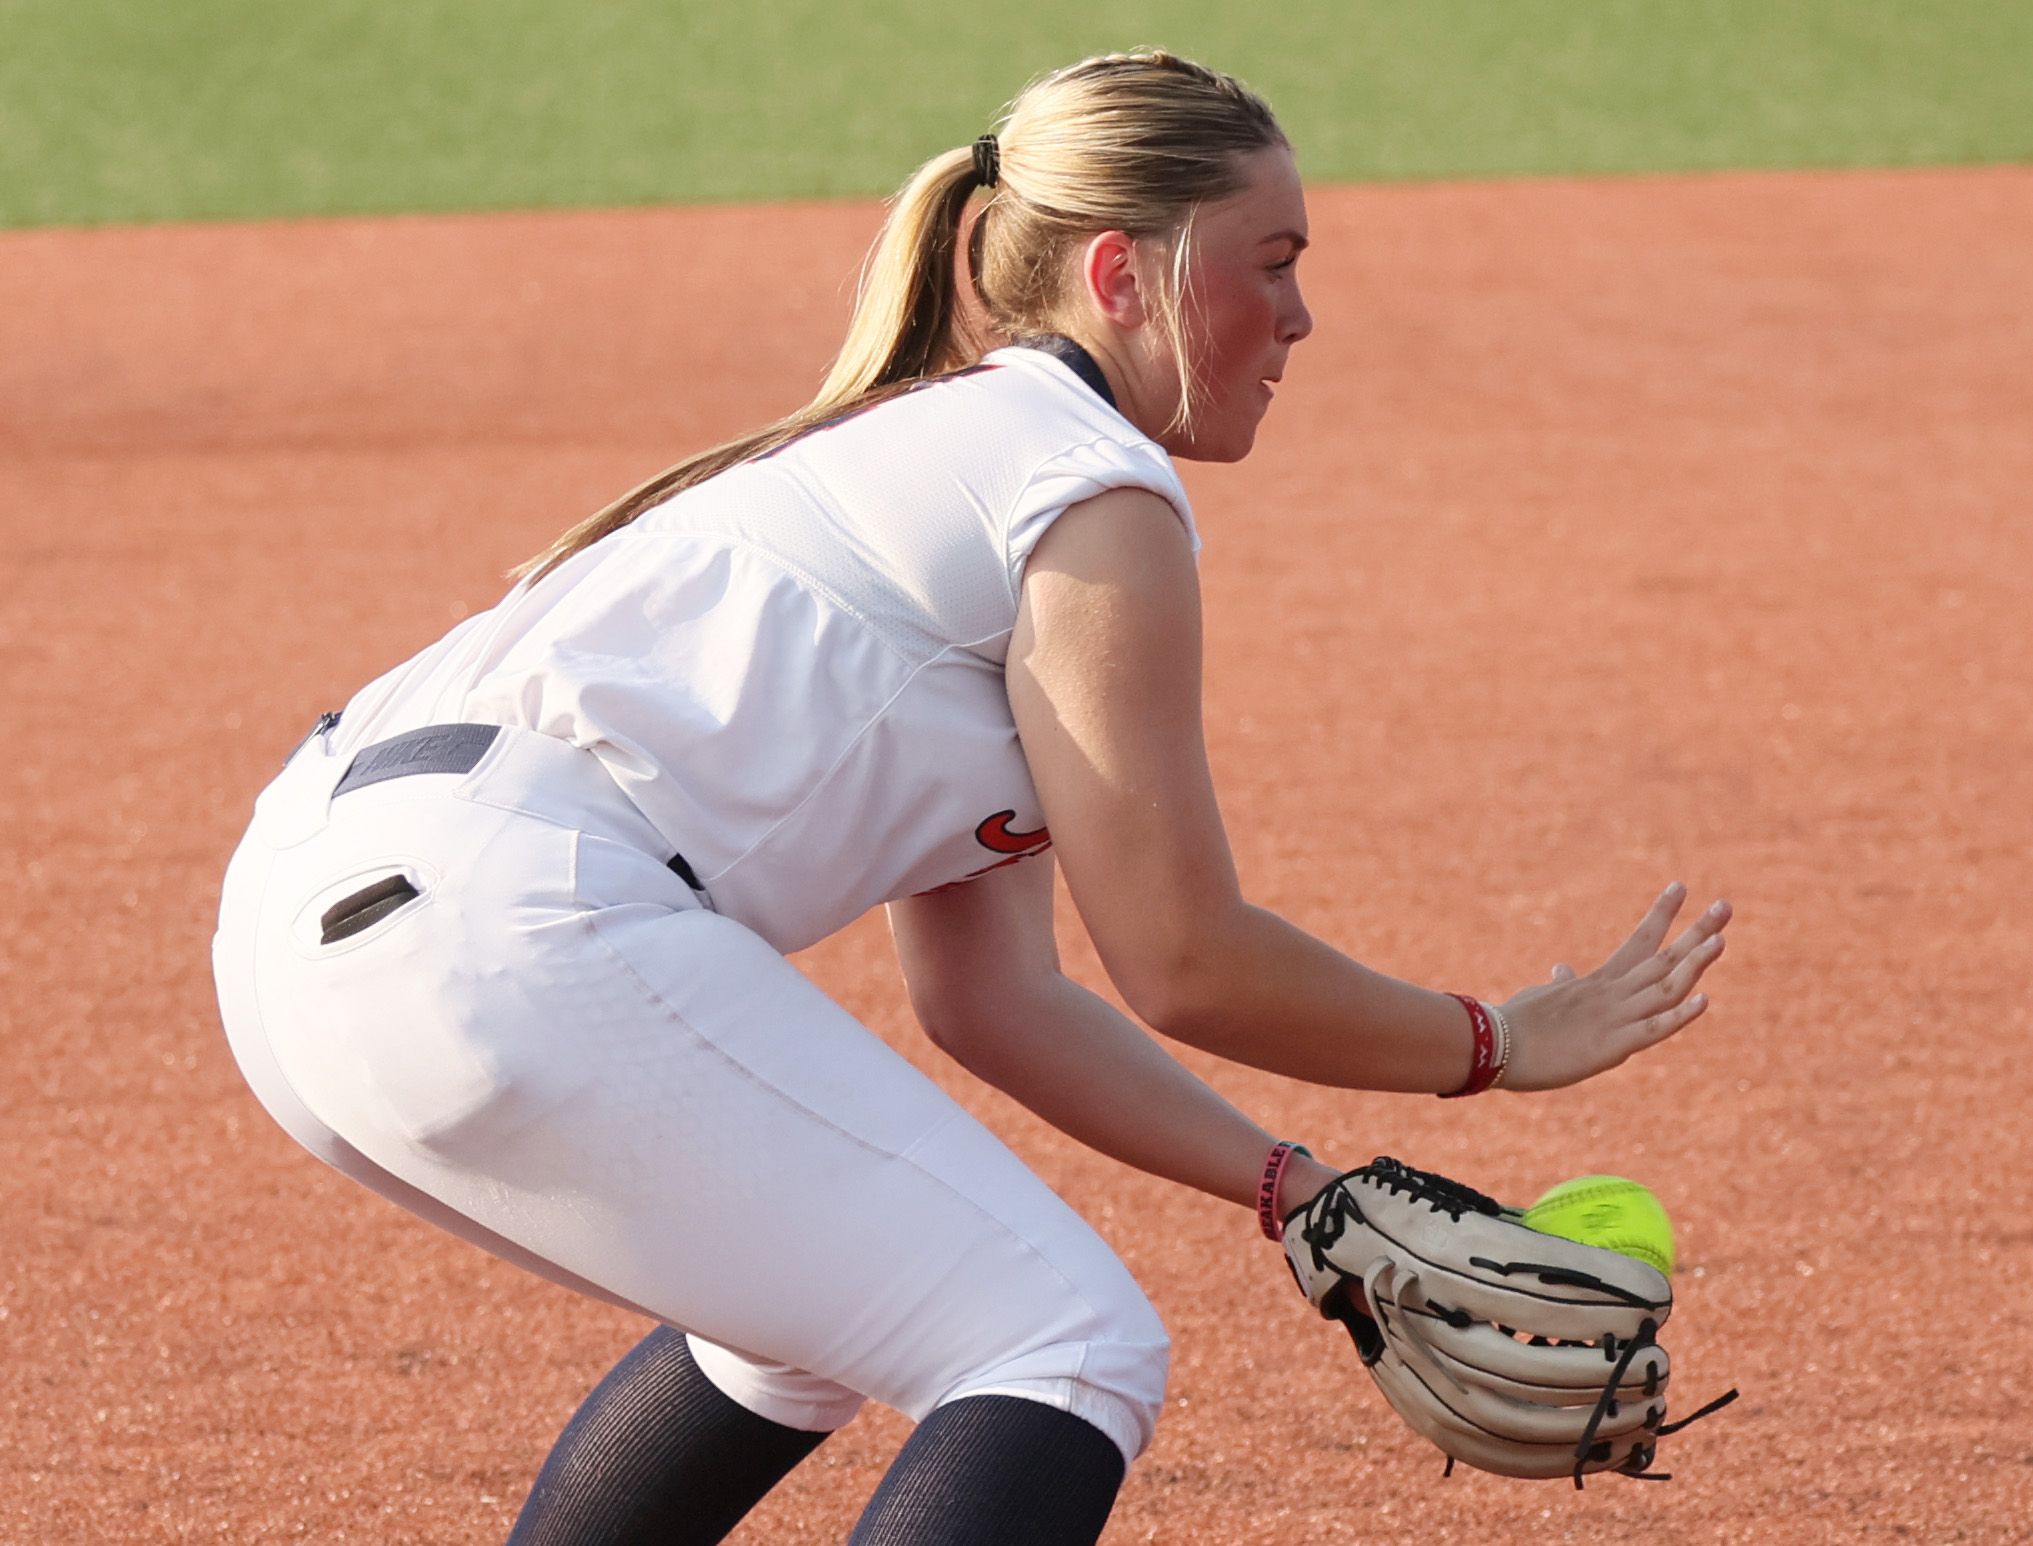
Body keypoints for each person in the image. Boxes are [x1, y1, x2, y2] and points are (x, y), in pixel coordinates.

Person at [211, 51, 1729, 1546]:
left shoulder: (941, 459)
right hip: (502, 920)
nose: (1299, 316)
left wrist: (1296, 1187)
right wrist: (1494, 1044)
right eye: (1269, 263)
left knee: (798, 1333)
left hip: (322, 939)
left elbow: (997, 996)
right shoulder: (1087, 490)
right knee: (1058, 1344)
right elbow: (1184, 957)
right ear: (1123, 274)